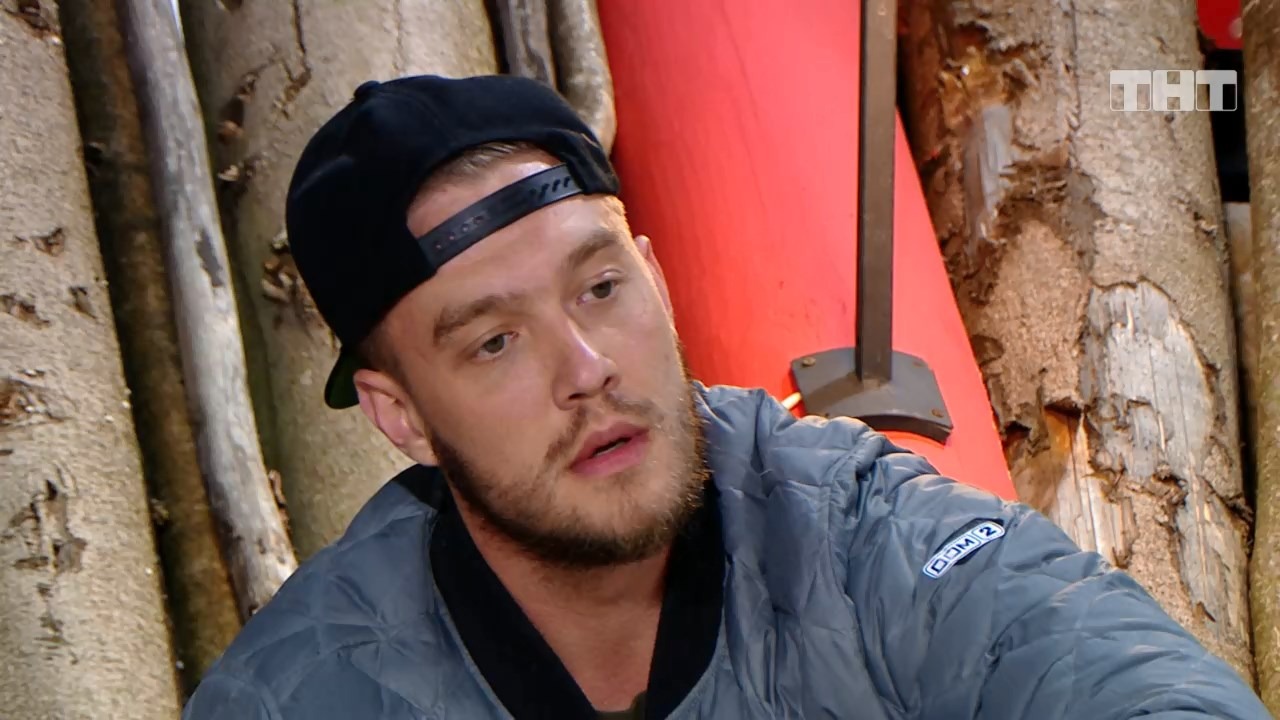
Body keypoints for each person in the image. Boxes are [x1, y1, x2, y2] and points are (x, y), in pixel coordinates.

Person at [181, 74, 1271, 720]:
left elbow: (1096, 665)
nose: (586, 366)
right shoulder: (303, 693)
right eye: (495, 342)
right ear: (401, 416)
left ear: (655, 280)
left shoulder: (847, 528)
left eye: (601, 288)